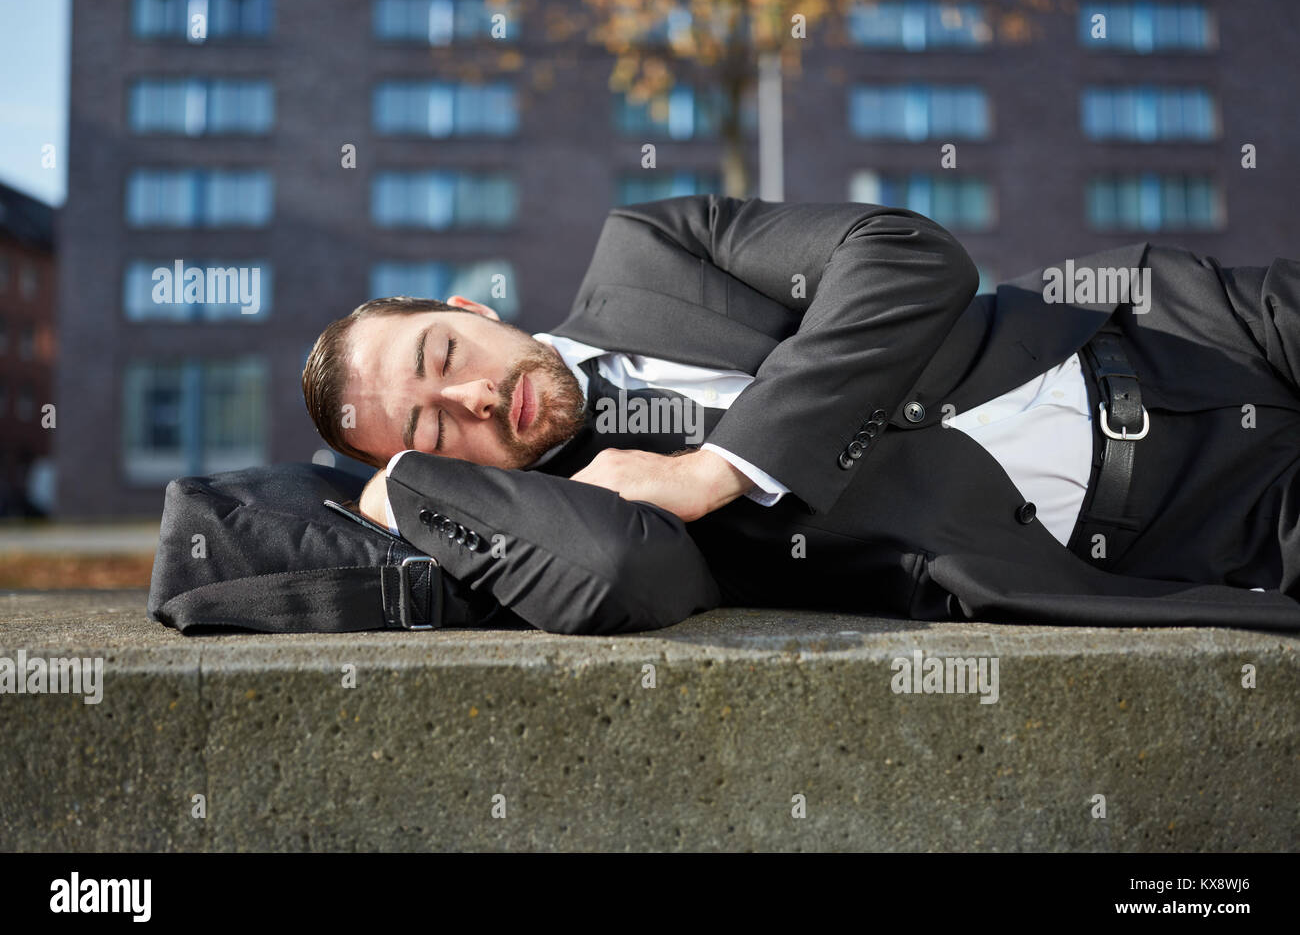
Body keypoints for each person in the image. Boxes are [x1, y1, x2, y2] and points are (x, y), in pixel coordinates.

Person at [302, 194, 1300, 634]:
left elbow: (908, 255)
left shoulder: (646, 248)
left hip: (1192, 329)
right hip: (1210, 544)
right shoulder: (586, 513)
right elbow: (623, 579)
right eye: (436, 429)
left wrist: (720, 467)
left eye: (444, 356)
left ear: (470, 308)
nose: (474, 397)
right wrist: (410, 486)